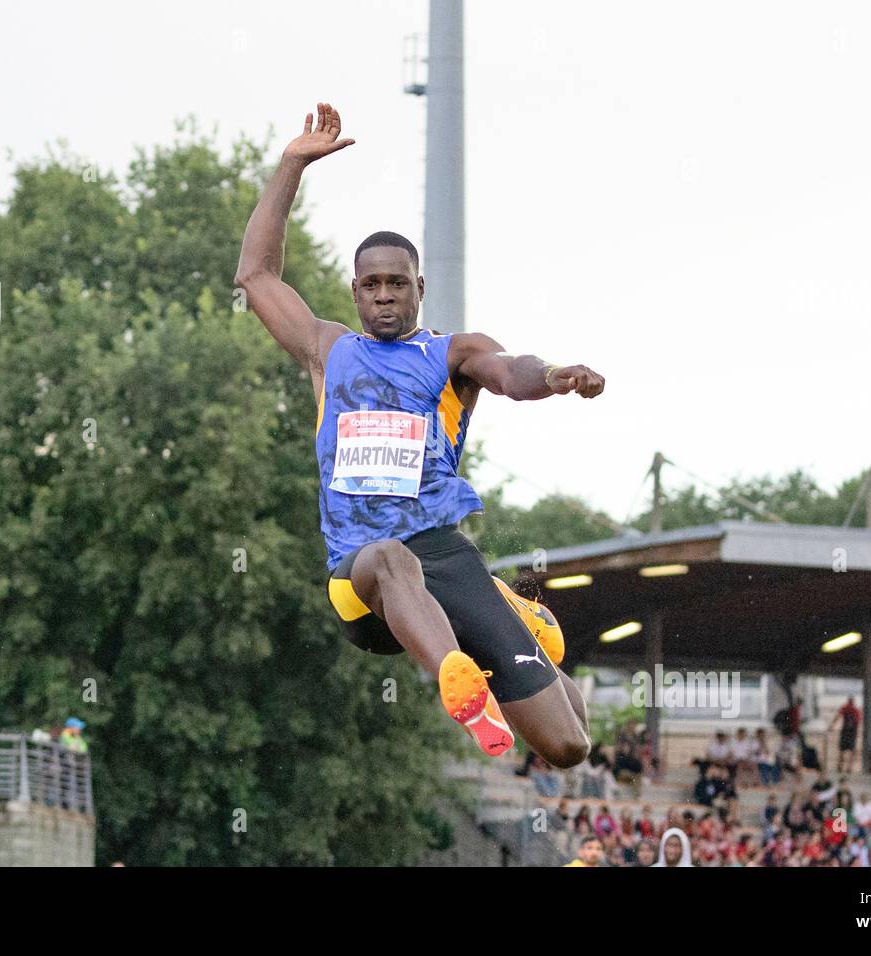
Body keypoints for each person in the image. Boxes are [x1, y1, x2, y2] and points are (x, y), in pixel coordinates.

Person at [235, 102, 604, 765]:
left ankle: (506, 619)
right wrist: (291, 164)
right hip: (365, 574)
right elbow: (256, 275)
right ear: (354, 292)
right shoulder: (327, 350)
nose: (383, 295)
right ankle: (457, 681)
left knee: (569, 744)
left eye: (396, 284)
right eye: (371, 285)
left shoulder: (450, 355)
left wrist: (552, 375)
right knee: (391, 557)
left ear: (419, 289)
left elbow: (509, 371)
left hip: (447, 559)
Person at [829, 696, 862, 774]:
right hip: (852, 732)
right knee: (852, 750)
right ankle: (849, 768)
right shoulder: (856, 709)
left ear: (848, 701)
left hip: (845, 731)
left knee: (842, 750)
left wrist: (831, 726)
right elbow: (859, 722)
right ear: (853, 701)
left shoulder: (845, 707)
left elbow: (837, 717)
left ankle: (840, 767)